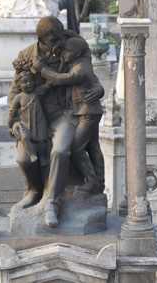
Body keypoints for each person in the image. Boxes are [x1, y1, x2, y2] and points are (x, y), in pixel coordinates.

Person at [7, 17, 104, 228]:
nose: (59, 43)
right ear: (41, 38)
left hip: (63, 115)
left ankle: (52, 204)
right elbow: (14, 93)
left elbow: (88, 74)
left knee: (60, 151)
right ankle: (34, 191)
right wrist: (13, 123)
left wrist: (98, 89)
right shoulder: (26, 55)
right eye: (54, 39)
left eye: (61, 37)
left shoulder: (70, 48)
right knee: (24, 160)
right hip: (33, 119)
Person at [33, 37, 104, 193]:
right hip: (86, 111)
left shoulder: (80, 69)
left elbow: (59, 79)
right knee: (93, 147)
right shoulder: (77, 61)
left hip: (87, 113)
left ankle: (93, 182)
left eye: (67, 51)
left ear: (77, 53)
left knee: (77, 148)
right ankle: (99, 182)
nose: (63, 53)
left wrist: (42, 69)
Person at [8, 71, 49, 164]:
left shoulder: (37, 93)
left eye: (30, 81)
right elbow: (12, 113)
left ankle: (42, 157)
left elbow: (47, 86)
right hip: (25, 124)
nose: (29, 83)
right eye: (25, 82)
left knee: (41, 141)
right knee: (24, 138)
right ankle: (32, 154)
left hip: (38, 123)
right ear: (19, 85)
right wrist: (9, 126)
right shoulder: (18, 98)